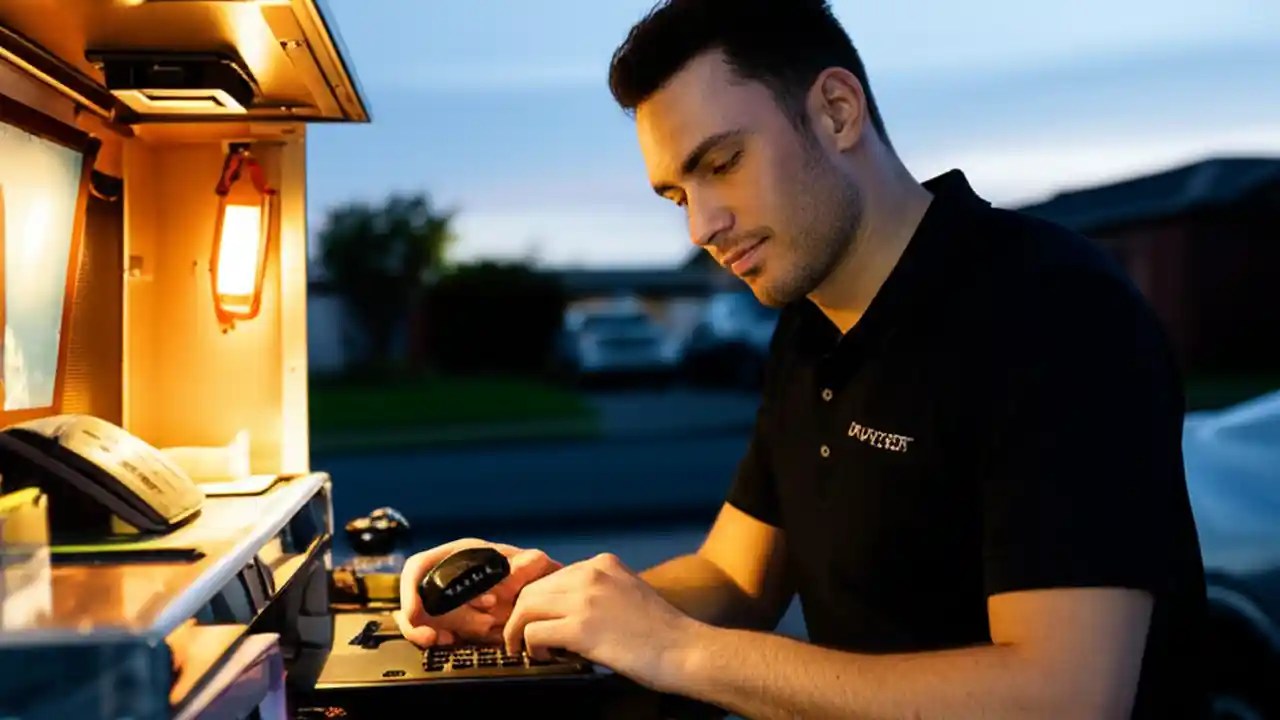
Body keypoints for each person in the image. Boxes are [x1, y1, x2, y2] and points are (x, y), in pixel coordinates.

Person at [396, 1, 1209, 717]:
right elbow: (735, 579)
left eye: (721, 164)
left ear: (837, 110)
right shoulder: (810, 324)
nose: (701, 228)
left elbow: (1063, 698)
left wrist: (680, 654)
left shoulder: (1052, 310)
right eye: (678, 195)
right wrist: (564, 601)